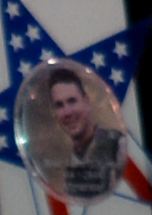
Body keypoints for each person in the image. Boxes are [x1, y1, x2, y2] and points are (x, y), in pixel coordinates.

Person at [25, 60, 127, 203]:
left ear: (86, 102)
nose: (67, 112)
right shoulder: (71, 162)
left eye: (72, 101)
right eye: (59, 105)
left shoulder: (117, 146)